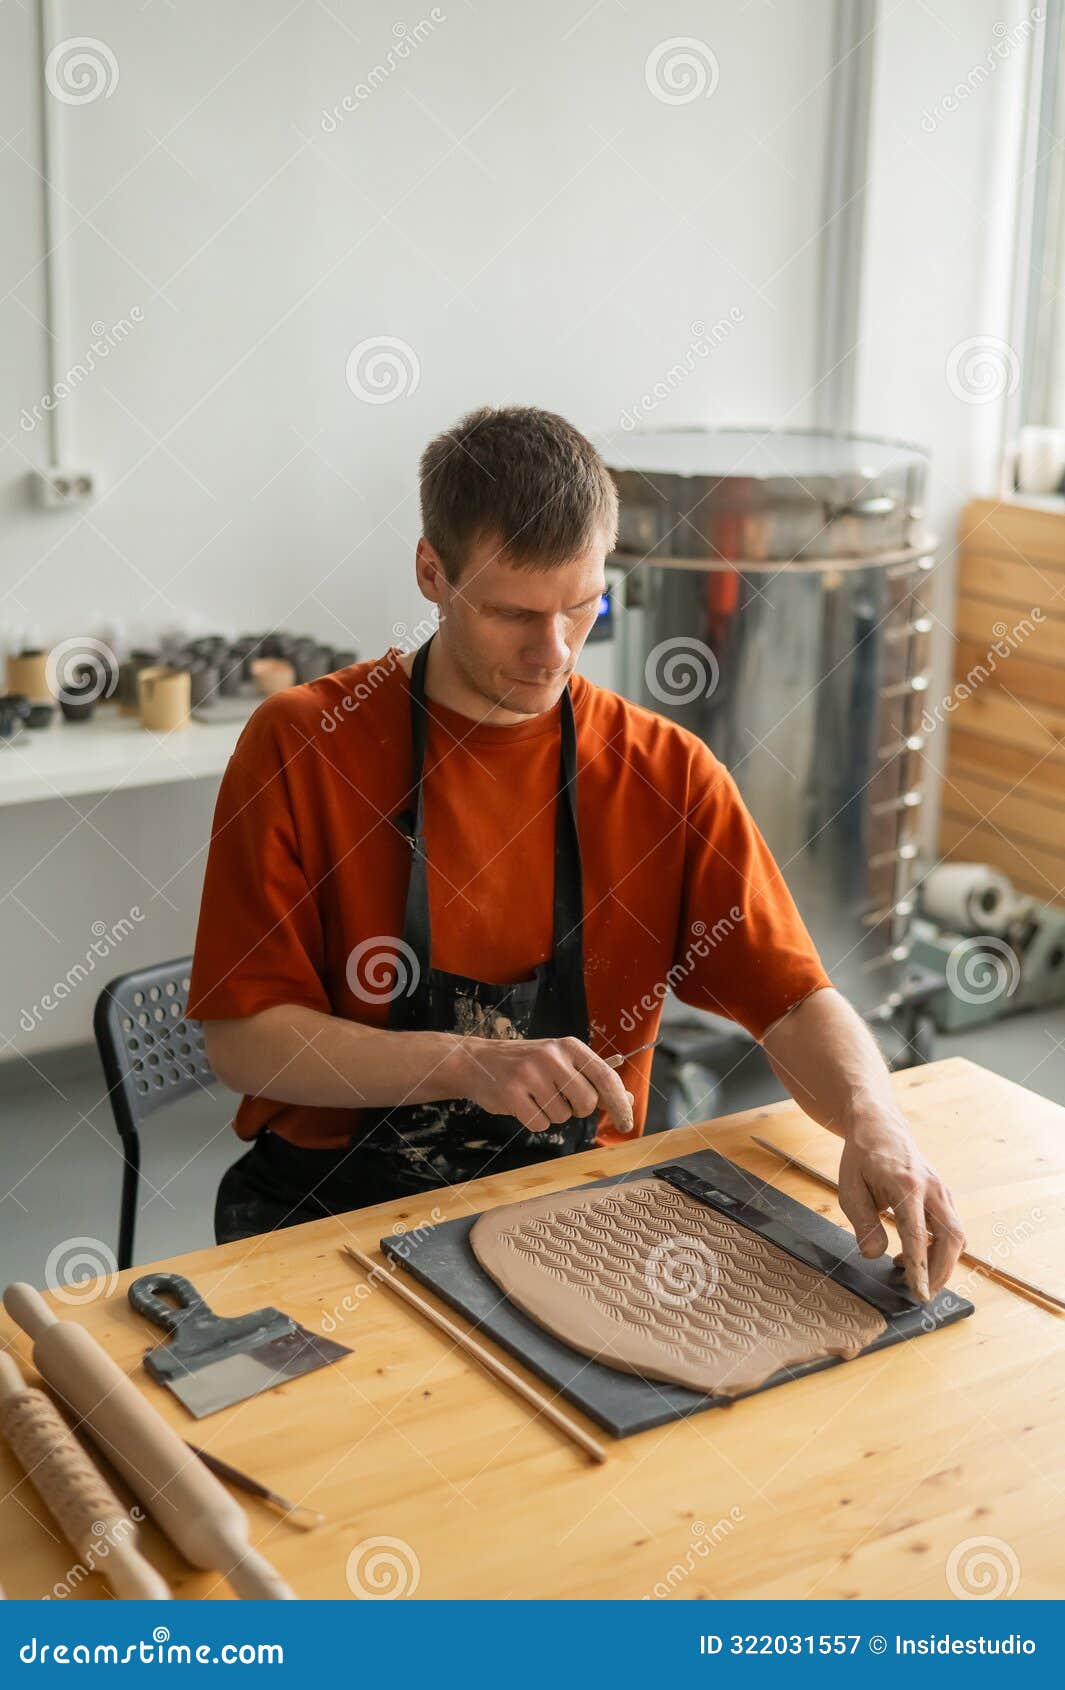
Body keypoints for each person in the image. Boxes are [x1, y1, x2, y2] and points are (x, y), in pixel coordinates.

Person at [188, 404, 965, 1300]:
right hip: (328, 1212)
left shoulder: (663, 773)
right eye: (512, 612)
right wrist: (469, 1064)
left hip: (570, 1208)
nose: (551, 651)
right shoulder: (302, 743)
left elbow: (792, 1002)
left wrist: (874, 1119)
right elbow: (245, 1043)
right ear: (430, 574)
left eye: (579, 604)